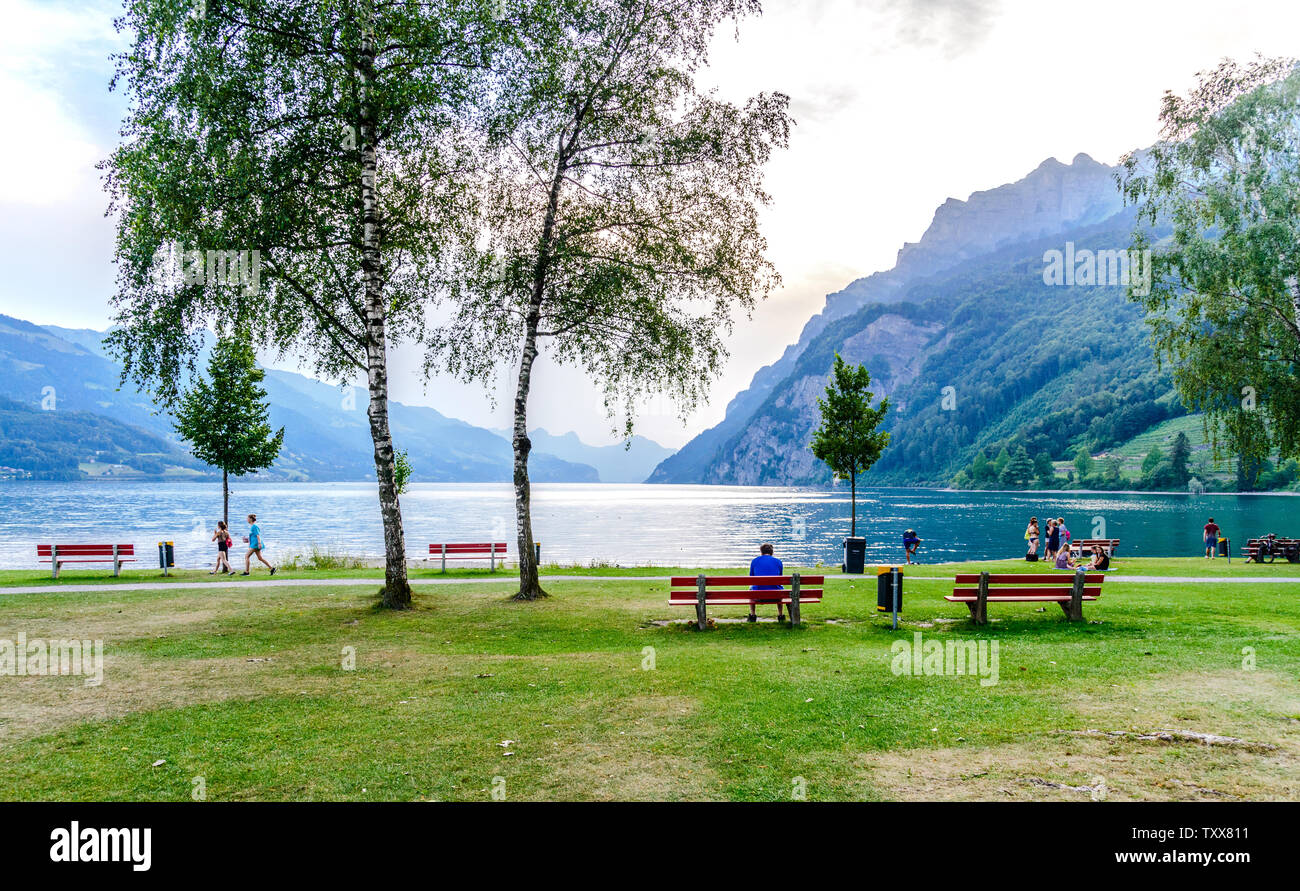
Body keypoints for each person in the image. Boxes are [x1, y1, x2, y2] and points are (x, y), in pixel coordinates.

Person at [748, 543, 785, 623]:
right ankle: (780, 615)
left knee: (751, 590)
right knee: (779, 588)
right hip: (776, 596)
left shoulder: (755, 561)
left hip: (758, 595)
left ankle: (752, 615)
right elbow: (780, 577)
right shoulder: (778, 562)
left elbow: (751, 578)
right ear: (772, 552)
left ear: (761, 552)